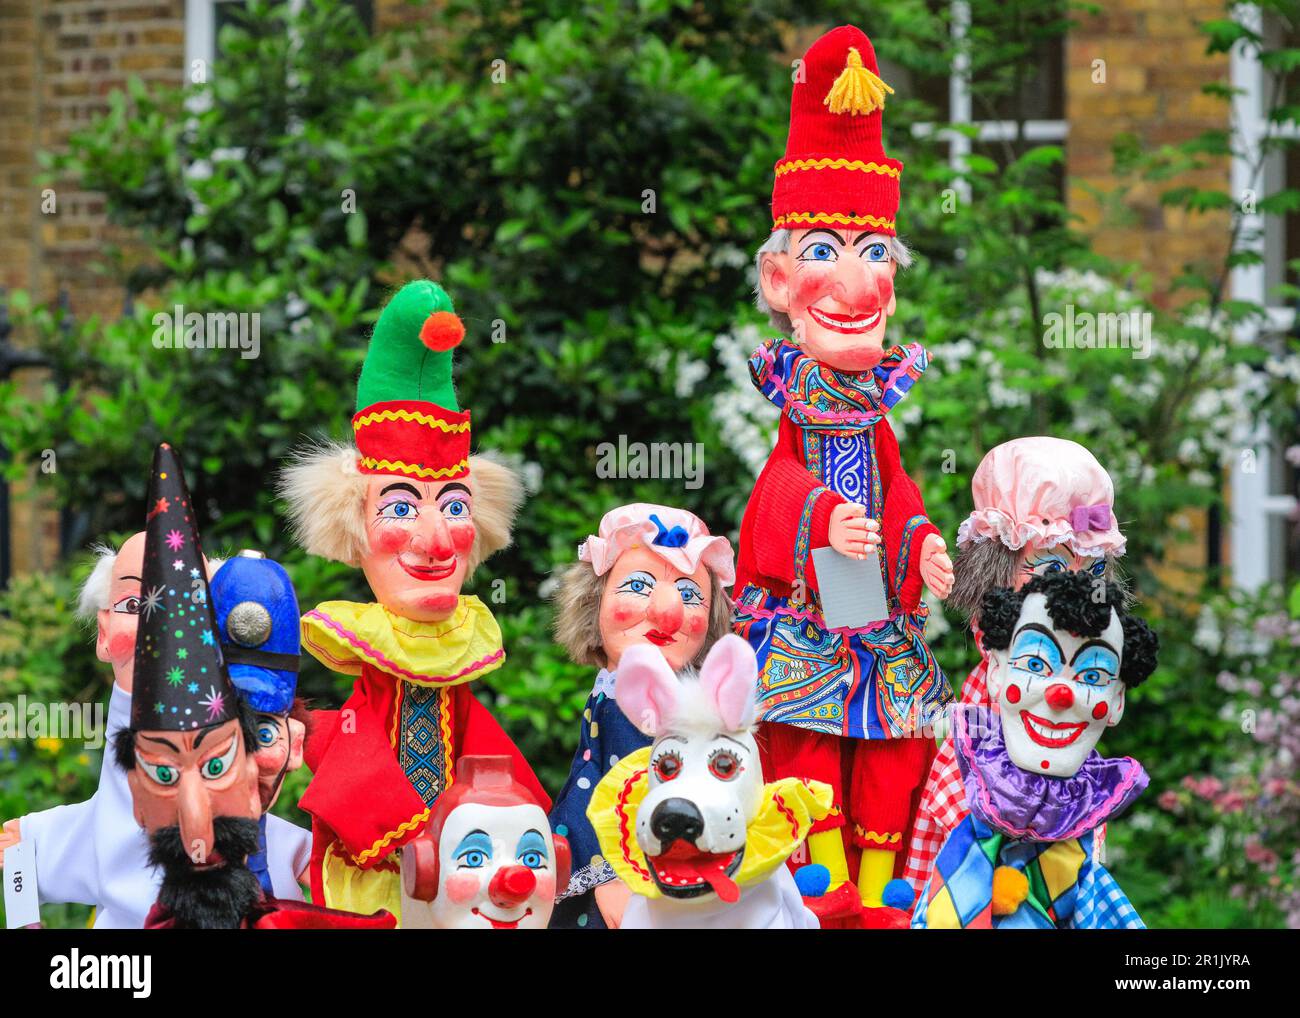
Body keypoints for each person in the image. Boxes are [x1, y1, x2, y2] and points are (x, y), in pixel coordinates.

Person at [733, 24, 953, 920]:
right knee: (808, 743)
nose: (856, 283)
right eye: (826, 251)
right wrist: (820, 518)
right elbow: (772, 490)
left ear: (892, 283)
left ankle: (880, 884)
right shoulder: (800, 401)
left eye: (871, 253)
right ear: (783, 280)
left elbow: (897, 486)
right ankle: (815, 885)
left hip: (873, 609)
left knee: (894, 745)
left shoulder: (874, 410)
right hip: (811, 612)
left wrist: (924, 539)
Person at [279, 279, 547, 922]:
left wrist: (530, 824)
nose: (433, 540)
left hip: (467, 876)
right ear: (353, 524)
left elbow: (488, 758)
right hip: (377, 878)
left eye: (454, 507)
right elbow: (352, 739)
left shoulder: (459, 655)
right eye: (401, 507)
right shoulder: (372, 652)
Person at [902, 437, 1128, 895]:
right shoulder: (985, 721)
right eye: (1049, 567)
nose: (1074, 587)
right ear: (995, 568)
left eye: (1090, 569)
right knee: (970, 871)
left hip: (1062, 753)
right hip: (994, 744)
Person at [912, 570, 1156, 929]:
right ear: (996, 672)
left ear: (1116, 701)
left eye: (1091, 677)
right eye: (1036, 665)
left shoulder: (1082, 835)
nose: (1061, 695)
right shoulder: (975, 783)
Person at [547, 503, 735, 928]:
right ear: (594, 600)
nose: (666, 610)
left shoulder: (652, 699)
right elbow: (616, 788)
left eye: (690, 594)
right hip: (618, 866)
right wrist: (615, 874)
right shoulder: (619, 695)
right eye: (638, 584)